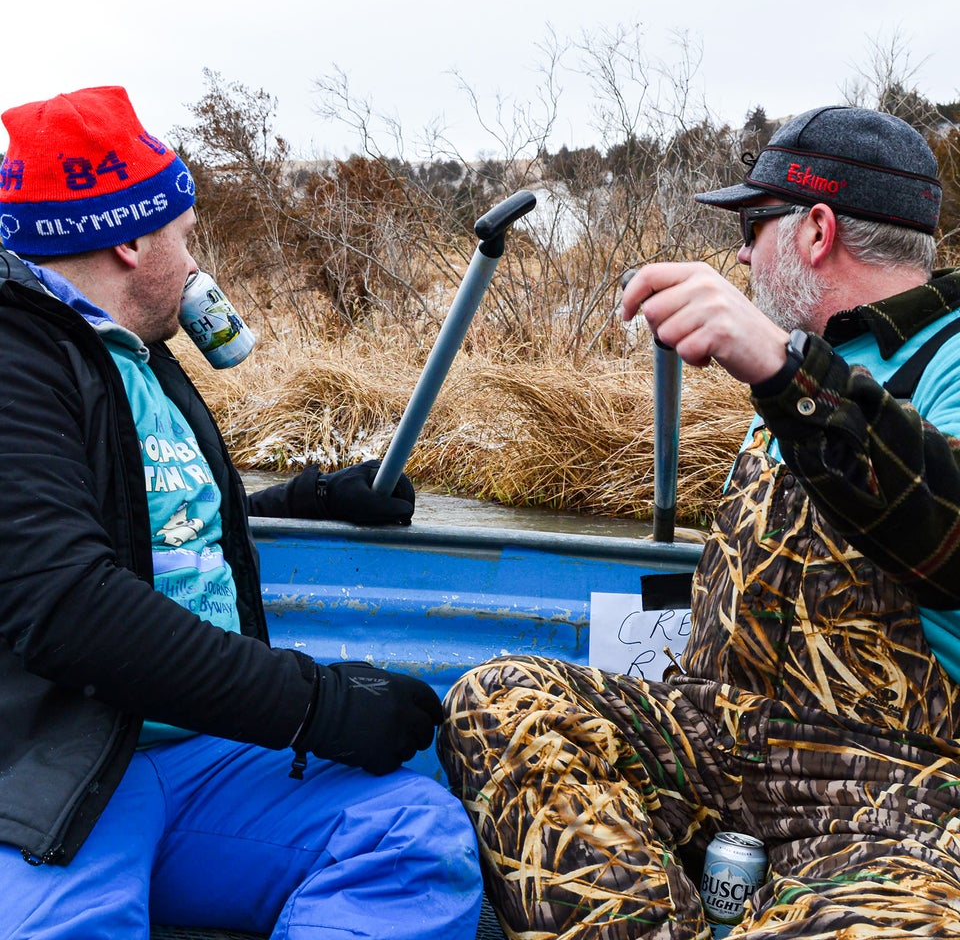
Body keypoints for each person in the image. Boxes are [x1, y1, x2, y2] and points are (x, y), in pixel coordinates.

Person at [438, 105, 960, 939]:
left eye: (754, 227)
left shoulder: (944, 356)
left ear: (816, 230)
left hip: (905, 796)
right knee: (498, 701)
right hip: (718, 740)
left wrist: (785, 370)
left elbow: (949, 530)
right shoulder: (812, 353)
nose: (743, 255)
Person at [0, 85, 482, 940]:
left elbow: (140, 525)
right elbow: (66, 601)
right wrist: (314, 706)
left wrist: (303, 500)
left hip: (194, 755)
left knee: (412, 837)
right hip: (49, 769)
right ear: (128, 240)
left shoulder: (136, 353)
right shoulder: (15, 362)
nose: (194, 263)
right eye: (184, 236)